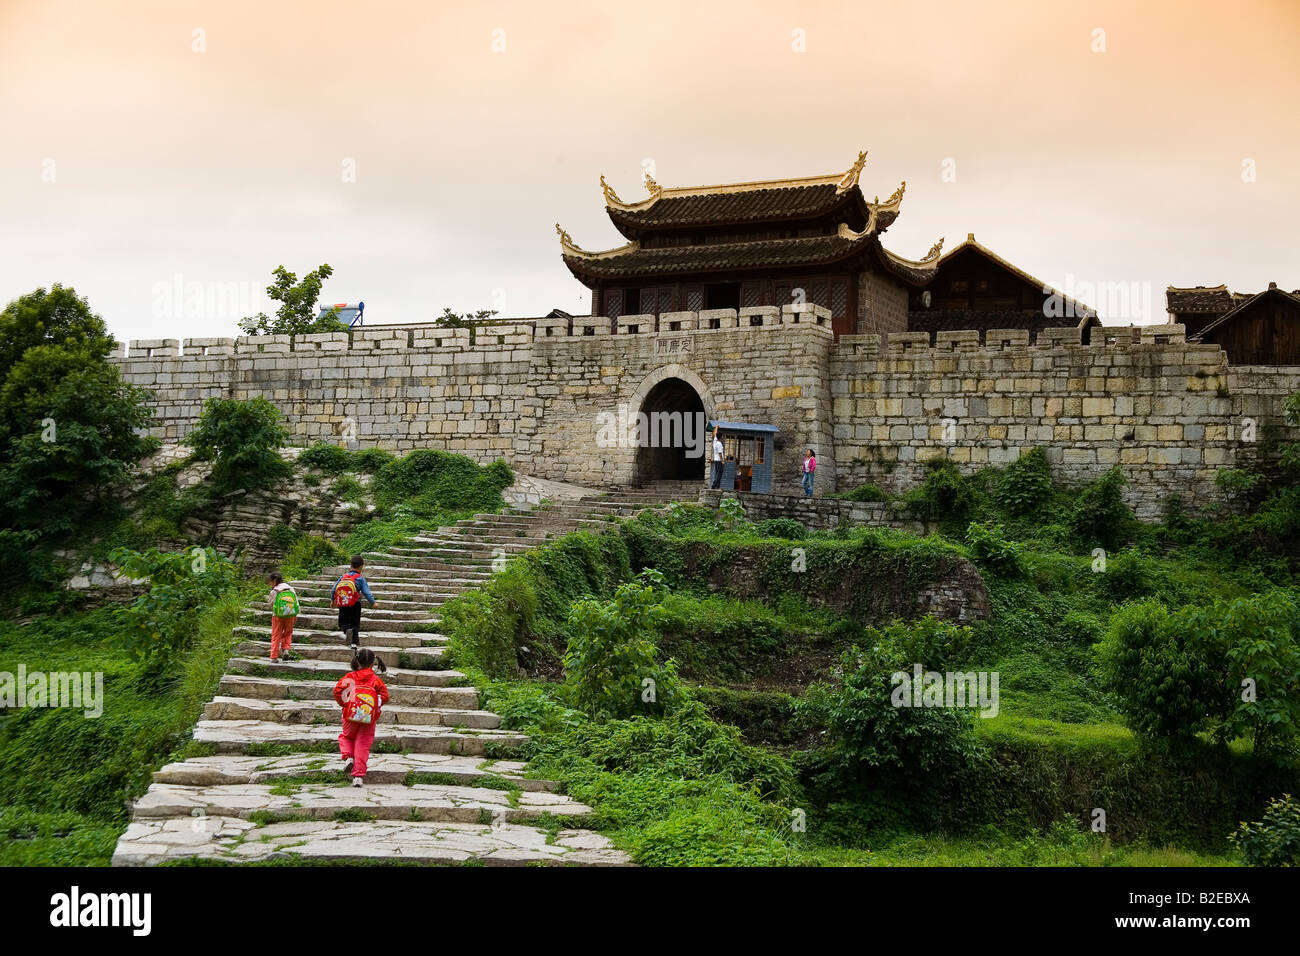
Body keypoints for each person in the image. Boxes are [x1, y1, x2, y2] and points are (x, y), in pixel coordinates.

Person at [332, 647, 389, 787]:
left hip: (349, 716)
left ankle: (349, 757)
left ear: (356, 661)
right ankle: (358, 777)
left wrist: (344, 704)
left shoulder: (350, 677)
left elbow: (338, 691)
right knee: (363, 744)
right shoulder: (376, 680)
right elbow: (385, 696)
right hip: (369, 718)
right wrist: (376, 705)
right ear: (373, 664)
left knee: (346, 737)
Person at [333, 555, 377, 649]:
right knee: (355, 623)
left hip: (343, 603)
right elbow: (366, 592)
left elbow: (334, 589)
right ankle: (354, 642)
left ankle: (346, 629)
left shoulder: (343, 577)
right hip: (355, 604)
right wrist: (373, 602)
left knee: (342, 622)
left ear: (350, 565)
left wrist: (333, 600)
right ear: (361, 567)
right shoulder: (360, 578)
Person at [266, 572, 299, 662]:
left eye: (270, 582)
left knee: (276, 635)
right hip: (291, 614)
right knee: (288, 632)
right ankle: (286, 650)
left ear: (274, 581)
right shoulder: (290, 589)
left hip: (277, 616)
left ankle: (274, 657)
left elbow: (271, 603)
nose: (270, 584)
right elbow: (296, 602)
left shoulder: (274, 591)